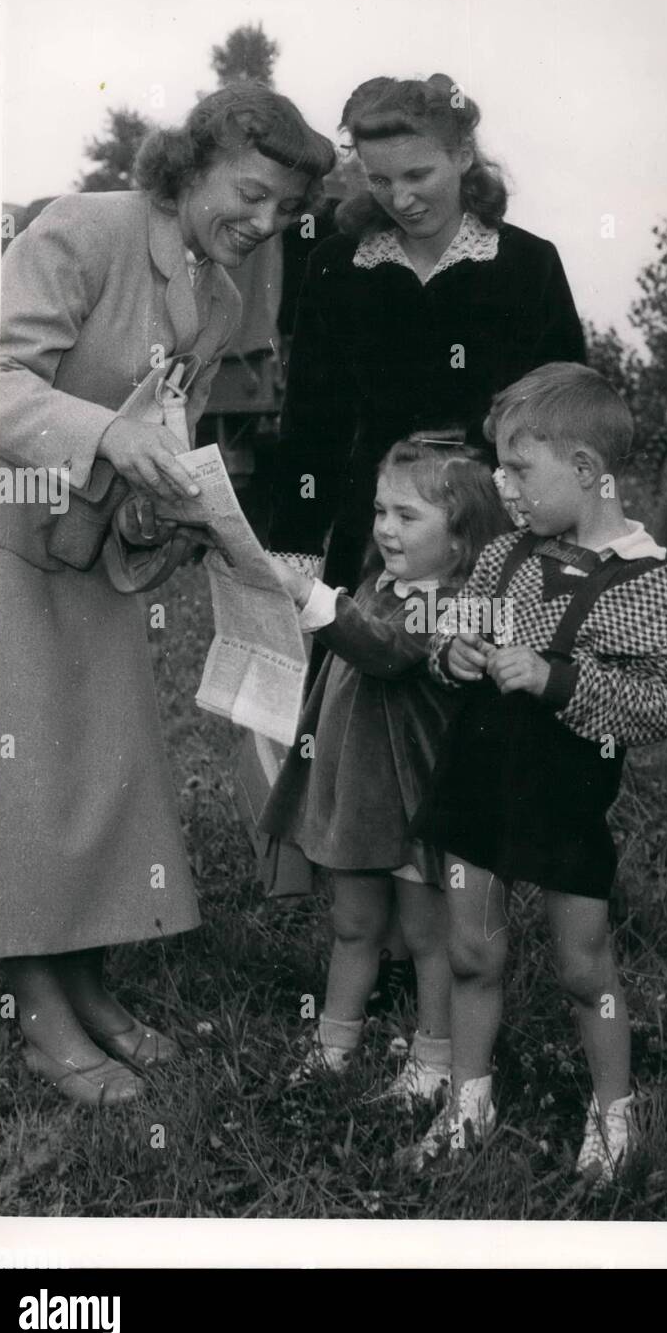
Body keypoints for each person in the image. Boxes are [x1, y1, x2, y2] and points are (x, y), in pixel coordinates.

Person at [0, 82, 334, 1107]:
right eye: (251, 193)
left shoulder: (224, 293)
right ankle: (37, 1010)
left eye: (282, 209)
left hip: (88, 553)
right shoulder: (82, 229)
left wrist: (173, 509)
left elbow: (164, 419)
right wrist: (109, 438)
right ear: (190, 164)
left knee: (103, 764)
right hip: (1, 546)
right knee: (29, 778)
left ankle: (90, 984)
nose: (264, 223)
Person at [263, 71, 586, 968]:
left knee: (467, 719)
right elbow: (312, 421)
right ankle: (386, 936)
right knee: (366, 721)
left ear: (462, 156)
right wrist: (296, 544)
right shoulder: (336, 266)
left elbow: (562, 416)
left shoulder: (526, 264)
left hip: (491, 537)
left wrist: (548, 541)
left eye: (419, 175)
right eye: (376, 179)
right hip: (374, 532)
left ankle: (469, 930)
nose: (398, 198)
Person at [409, 363, 667, 1184]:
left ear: (584, 471)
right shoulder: (505, 554)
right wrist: (455, 654)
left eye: (518, 468)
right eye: (498, 466)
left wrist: (556, 678)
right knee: (472, 953)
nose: (501, 486)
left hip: (563, 800)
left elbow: (665, 701)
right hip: (474, 785)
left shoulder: (649, 583)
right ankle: (469, 1100)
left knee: (582, 965)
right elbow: (449, 637)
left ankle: (613, 1107)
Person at [260, 440, 510, 1102]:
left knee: (429, 935)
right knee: (352, 924)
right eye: (378, 510)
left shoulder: (453, 608)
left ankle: (432, 1059)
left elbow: (386, 651)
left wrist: (314, 599)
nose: (384, 528)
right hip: (356, 796)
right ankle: (333, 1041)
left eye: (406, 515)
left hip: (415, 798)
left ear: (459, 542)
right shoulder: (378, 584)